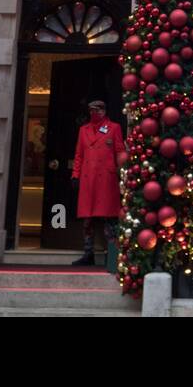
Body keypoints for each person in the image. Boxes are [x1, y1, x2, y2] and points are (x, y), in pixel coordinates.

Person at [71, 99, 127, 267]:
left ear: (104, 111)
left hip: (106, 179)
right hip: (88, 179)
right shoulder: (83, 130)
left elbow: (119, 152)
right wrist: (75, 175)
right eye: (92, 111)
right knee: (87, 218)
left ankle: (113, 253)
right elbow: (79, 154)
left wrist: (122, 172)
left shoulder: (114, 128)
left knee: (108, 218)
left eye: (98, 110)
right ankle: (88, 253)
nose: (95, 114)